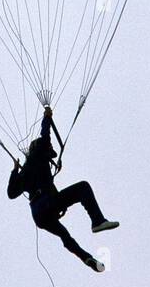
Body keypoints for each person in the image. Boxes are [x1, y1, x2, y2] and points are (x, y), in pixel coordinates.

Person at [7, 106, 118, 271]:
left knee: (64, 235)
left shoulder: (24, 173)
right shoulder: (38, 154)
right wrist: (47, 117)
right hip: (48, 203)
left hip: (39, 216)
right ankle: (97, 221)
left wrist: (14, 171)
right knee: (83, 187)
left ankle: (87, 259)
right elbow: (45, 135)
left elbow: (11, 193)